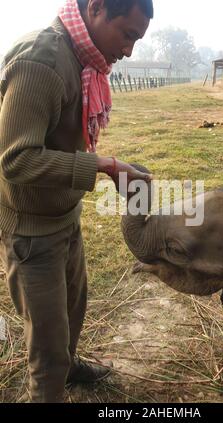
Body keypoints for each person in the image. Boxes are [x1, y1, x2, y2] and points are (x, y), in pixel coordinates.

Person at [0, 0, 153, 403]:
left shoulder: (84, 61)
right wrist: (102, 166)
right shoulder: (42, 61)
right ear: (97, 8)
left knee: (72, 311)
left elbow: (61, 140)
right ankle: (52, 381)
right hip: (31, 229)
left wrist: (108, 167)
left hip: (63, 215)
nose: (129, 50)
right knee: (47, 350)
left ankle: (68, 366)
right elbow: (16, 159)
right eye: (127, 35)